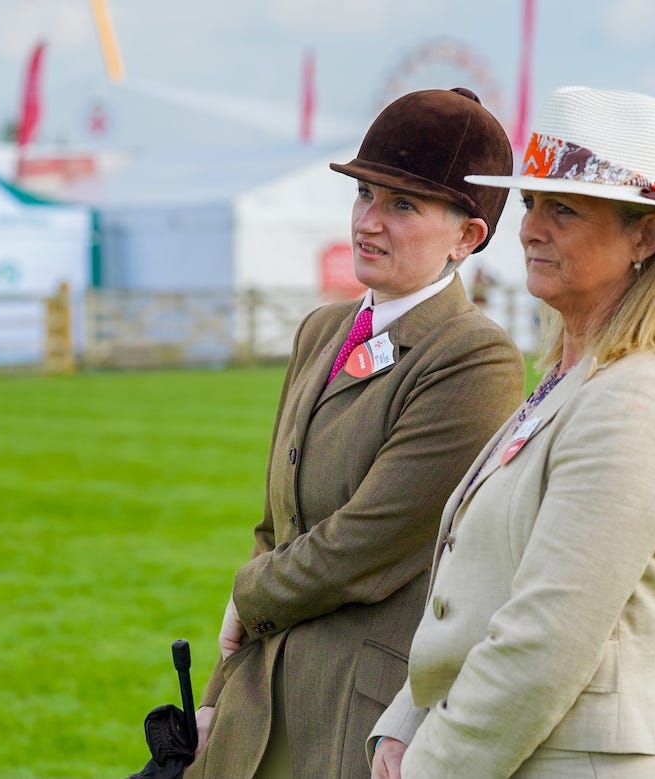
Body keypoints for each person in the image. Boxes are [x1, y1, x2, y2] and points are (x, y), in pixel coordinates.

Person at [369, 86, 655, 779]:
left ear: (646, 235)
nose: (528, 229)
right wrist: (403, 723)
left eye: (562, 209)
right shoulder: (574, 380)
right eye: (531, 204)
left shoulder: (642, 395)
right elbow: (480, 593)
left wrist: (428, 767)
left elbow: (546, 640)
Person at [185, 88, 526, 779]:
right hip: (256, 701)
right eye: (364, 193)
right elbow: (274, 525)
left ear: (468, 236)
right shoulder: (321, 331)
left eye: (402, 204)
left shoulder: (474, 357)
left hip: (353, 716)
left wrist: (247, 594)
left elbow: (364, 544)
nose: (368, 221)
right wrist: (219, 696)